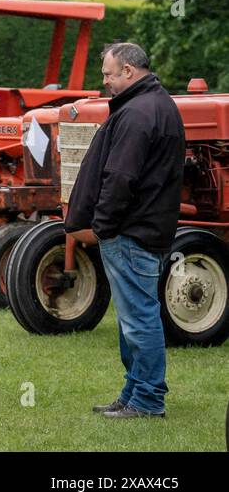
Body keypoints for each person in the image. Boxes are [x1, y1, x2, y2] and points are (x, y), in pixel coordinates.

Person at [66, 42, 184, 419]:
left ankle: (147, 400)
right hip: (143, 228)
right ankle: (133, 393)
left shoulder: (137, 112)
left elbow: (121, 177)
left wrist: (102, 226)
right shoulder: (158, 104)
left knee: (139, 318)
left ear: (129, 71)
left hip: (131, 232)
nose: (104, 82)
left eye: (108, 74)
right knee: (134, 316)